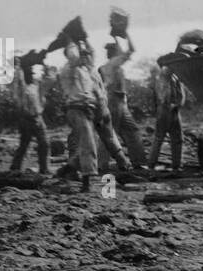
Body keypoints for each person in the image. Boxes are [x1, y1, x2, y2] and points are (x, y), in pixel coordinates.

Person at [60, 39, 104, 193]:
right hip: (76, 108)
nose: (84, 55)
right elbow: (73, 55)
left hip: (87, 109)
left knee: (89, 143)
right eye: (81, 54)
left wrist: (84, 41)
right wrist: (73, 41)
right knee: (87, 144)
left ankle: (69, 167)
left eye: (86, 54)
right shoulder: (69, 68)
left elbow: (91, 54)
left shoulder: (86, 70)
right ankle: (86, 182)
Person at [100, 34, 148, 169]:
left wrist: (116, 38)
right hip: (113, 100)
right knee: (110, 133)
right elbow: (131, 50)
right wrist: (126, 34)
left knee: (131, 130)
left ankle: (138, 162)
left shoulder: (110, 65)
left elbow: (125, 52)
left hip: (119, 101)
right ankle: (101, 164)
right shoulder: (114, 63)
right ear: (115, 53)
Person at [9, 52, 49, 174]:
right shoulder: (21, 87)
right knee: (24, 144)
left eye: (32, 73)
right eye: (29, 73)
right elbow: (16, 87)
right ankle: (15, 167)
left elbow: (50, 78)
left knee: (44, 143)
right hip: (26, 118)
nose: (31, 75)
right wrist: (18, 66)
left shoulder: (35, 85)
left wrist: (44, 65)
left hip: (38, 117)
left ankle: (44, 168)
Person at [148, 62, 186, 171]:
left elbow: (155, 98)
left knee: (158, 138)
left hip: (161, 111)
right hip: (171, 110)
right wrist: (177, 105)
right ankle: (176, 165)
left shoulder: (158, 78)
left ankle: (151, 164)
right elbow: (180, 97)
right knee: (177, 139)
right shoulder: (173, 78)